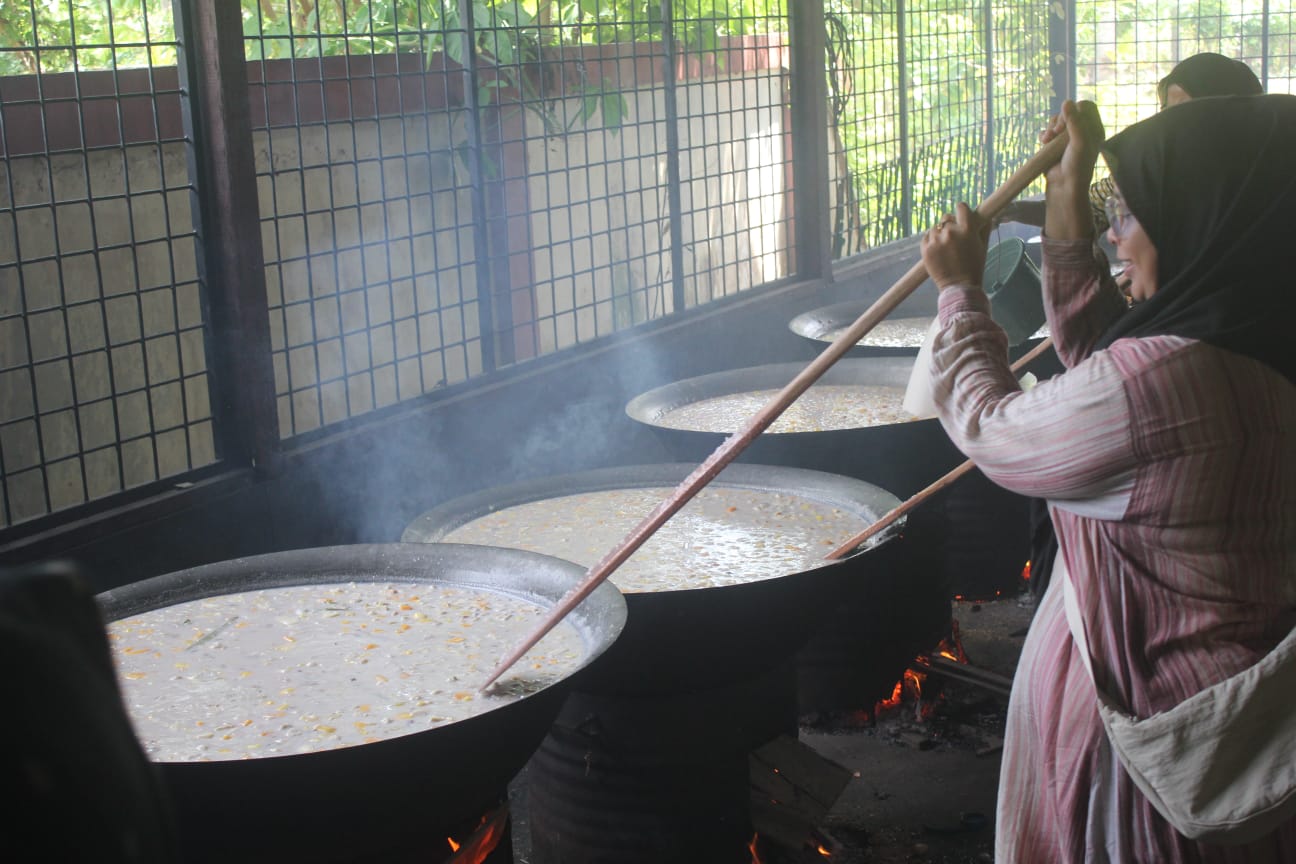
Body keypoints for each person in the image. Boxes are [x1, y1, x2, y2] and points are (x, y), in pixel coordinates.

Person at [920, 93, 1296, 861]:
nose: (1114, 241)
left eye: (1128, 215)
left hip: (1145, 743)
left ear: (1203, 213)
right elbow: (1101, 356)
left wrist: (960, 294)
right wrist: (1069, 182)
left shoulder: (1164, 383)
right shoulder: (1258, 333)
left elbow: (992, 430)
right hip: (1236, 720)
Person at [999, 52, 1262, 231]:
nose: (1172, 123)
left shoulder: (1264, 183)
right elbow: (1090, 209)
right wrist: (1010, 210)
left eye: (1187, 113)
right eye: (1167, 111)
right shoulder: (1153, 170)